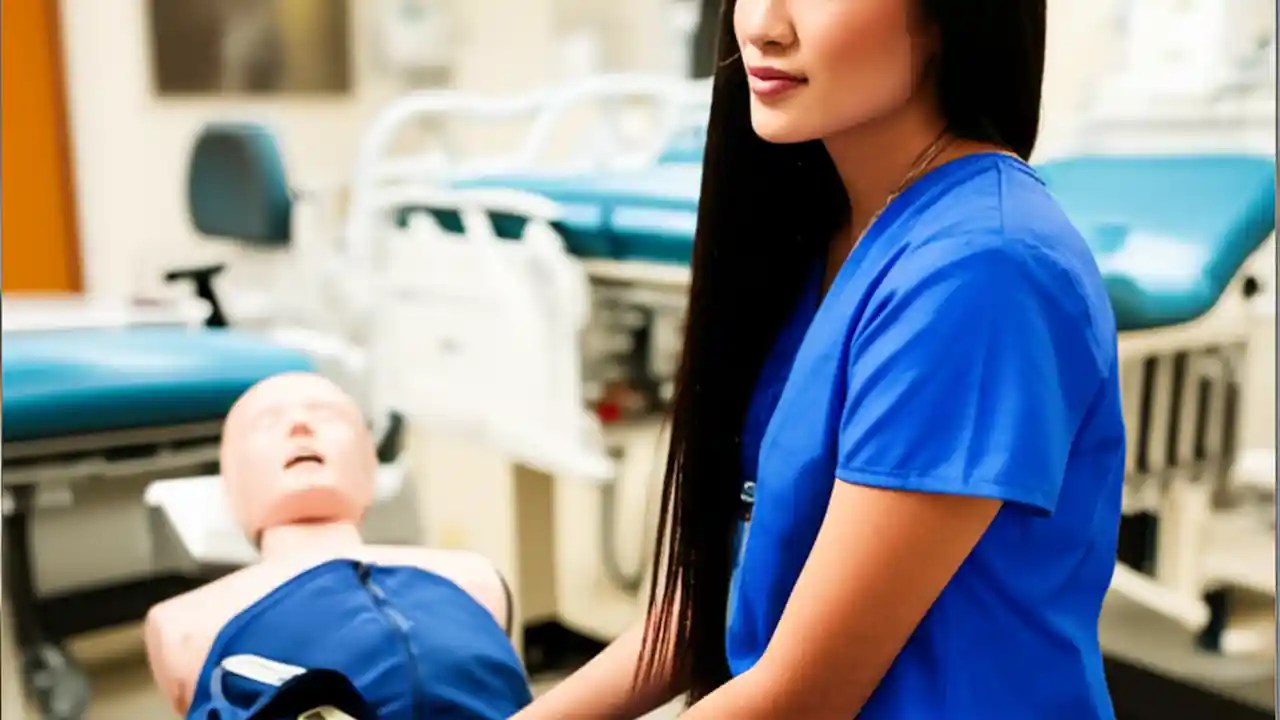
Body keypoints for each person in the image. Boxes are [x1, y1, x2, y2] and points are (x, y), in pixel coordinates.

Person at [518, 0, 1124, 718]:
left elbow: (800, 698)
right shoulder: (829, 234)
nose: (763, 27)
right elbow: (717, 597)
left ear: (945, 15)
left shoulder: (981, 269)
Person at [144, 372, 532, 719]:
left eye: (327, 416)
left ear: (369, 464)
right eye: (266, 423)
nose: (299, 427)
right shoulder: (182, 626)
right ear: (230, 483)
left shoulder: (474, 580)